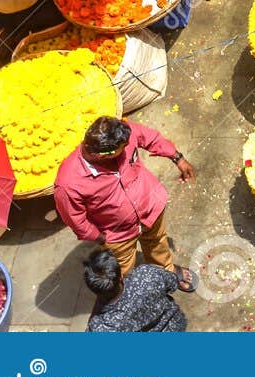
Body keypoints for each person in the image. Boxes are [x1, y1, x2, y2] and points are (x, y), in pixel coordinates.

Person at [53, 117, 198, 292]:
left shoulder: (119, 132)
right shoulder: (68, 183)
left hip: (150, 209)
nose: (130, 146)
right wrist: (100, 237)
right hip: (118, 234)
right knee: (122, 271)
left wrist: (178, 158)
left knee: (157, 243)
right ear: (104, 155)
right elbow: (74, 219)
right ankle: (128, 295)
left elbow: (150, 138)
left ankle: (166, 271)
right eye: (123, 149)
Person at [84, 251, 188, 333]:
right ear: (120, 276)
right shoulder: (146, 274)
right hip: (175, 325)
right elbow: (173, 282)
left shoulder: (101, 325)